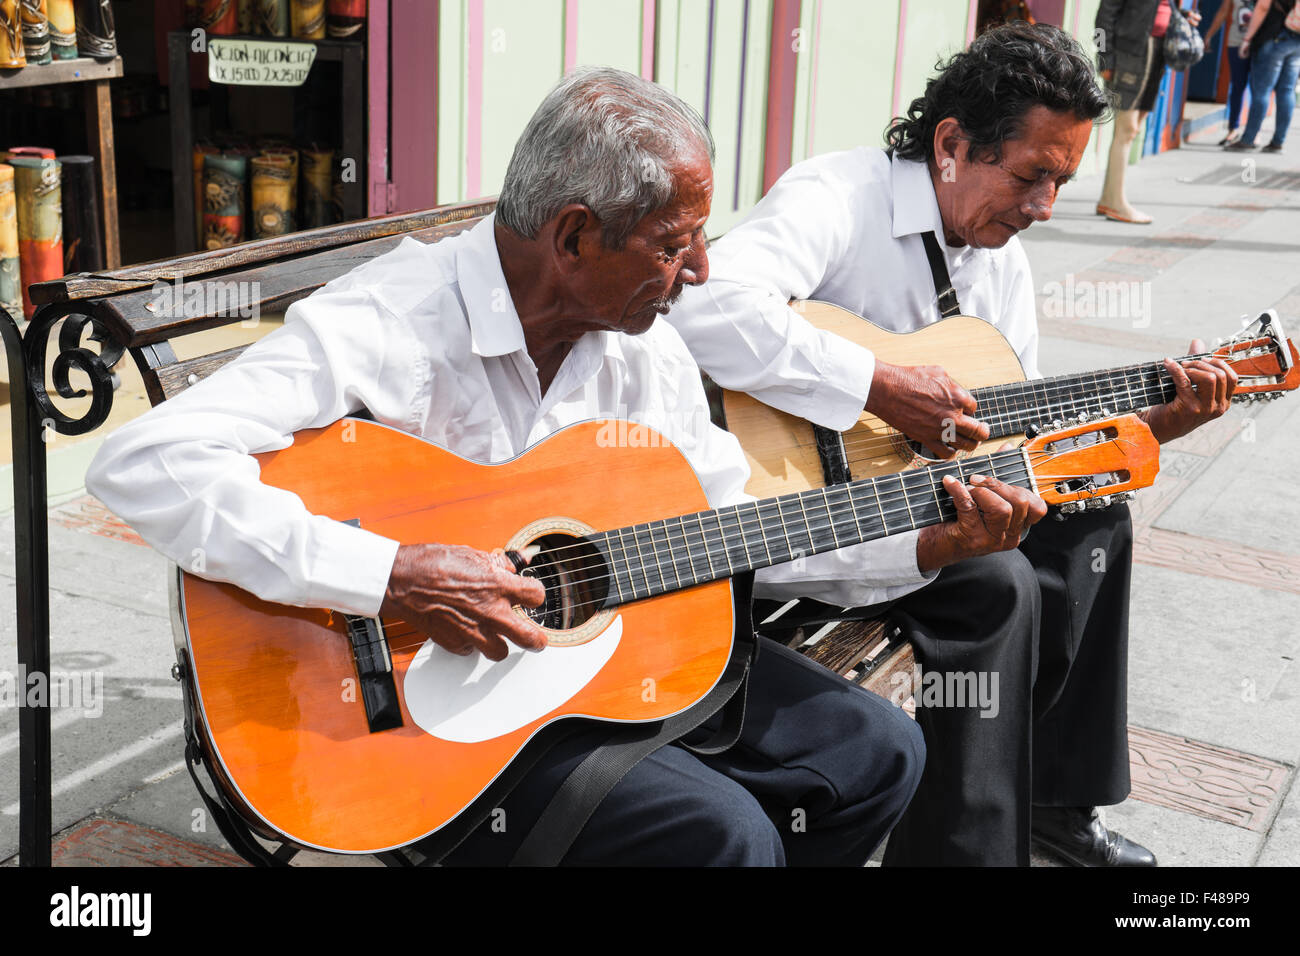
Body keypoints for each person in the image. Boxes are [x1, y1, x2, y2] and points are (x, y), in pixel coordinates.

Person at [80, 66, 1039, 867]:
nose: (702, 272)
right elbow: (144, 463)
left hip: (595, 672)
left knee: (878, 751)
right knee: (727, 838)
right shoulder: (393, 320)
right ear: (574, 236)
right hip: (419, 718)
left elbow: (735, 529)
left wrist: (922, 543)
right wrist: (387, 576)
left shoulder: (643, 343)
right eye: (674, 246)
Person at [667, 21, 1238, 866]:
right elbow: (703, 306)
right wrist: (876, 385)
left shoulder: (1000, 260)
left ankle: (1054, 803)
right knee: (999, 581)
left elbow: (1021, 436)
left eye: (1062, 183)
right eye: (1032, 176)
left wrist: (1153, 422)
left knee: (1094, 522)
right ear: (950, 144)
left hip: (917, 496)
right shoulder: (839, 196)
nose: (1044, 207)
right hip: (783, 507)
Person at [1095, 0, 1202, 223]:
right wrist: (1104, 58)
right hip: (1131, 53)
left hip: (1156, 50)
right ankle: (1117, 204)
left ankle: (1108, 198)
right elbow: (1103, 17)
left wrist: (1180, 15)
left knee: (1132, 130)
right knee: (1127, 130)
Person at [1229, 0, 1300, 152]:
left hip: (1273, 37)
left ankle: (1248, 139)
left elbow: (1262, 7)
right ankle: (1278, 142)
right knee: (1287, 90)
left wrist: (1247, 39)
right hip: (1296, 40)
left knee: (1262, 90)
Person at [1205, 0, 1258, 145]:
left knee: (1258, 90)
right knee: (1237, 87)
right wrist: (1209, 34)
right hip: (1236, 42)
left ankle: (1253, 131)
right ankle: (1233, 129)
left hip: (1260, 45)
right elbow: (1223, 11)